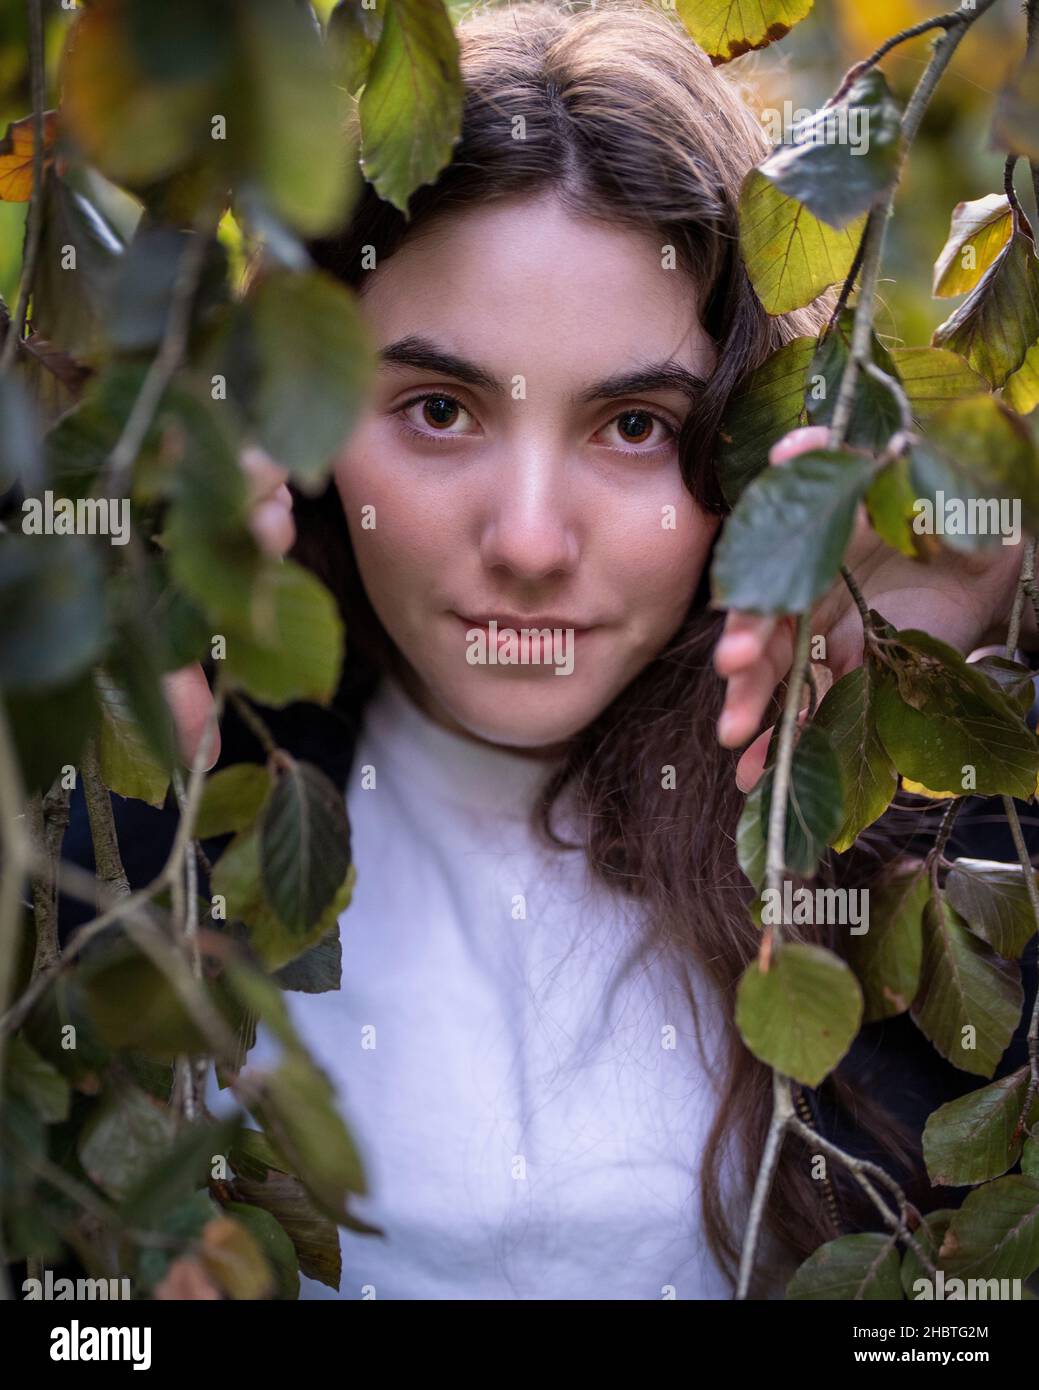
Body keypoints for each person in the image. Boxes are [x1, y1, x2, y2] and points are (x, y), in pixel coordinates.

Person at [63, 0, 1039, 1299]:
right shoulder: (184, 802)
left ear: (748, 452)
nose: (529, 540)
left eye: (634, 424)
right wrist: (118, 810)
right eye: (438, 408)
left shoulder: (872, 854)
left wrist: (950, 715)